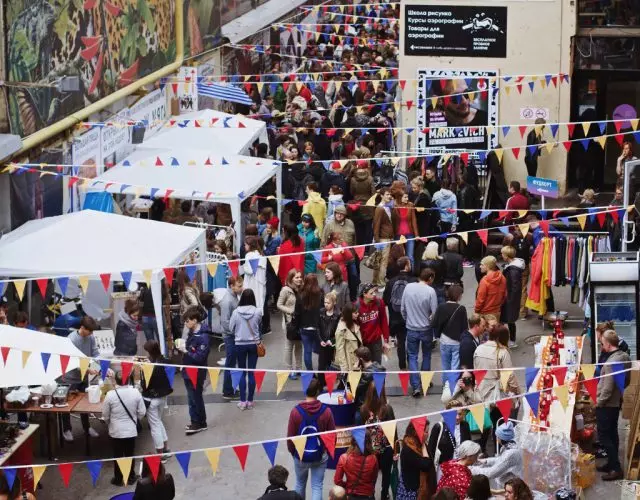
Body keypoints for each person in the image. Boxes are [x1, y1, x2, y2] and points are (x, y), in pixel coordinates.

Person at [287, 378, 336, 500]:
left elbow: (290, 437)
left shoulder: (295, 412)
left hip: (300, 455)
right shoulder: (326, 411)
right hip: (320, 455)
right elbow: (332, 436)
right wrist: (327, 451)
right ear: (318, 392)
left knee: (299, 483)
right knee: (317, 486)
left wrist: (294, 452)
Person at [474, 326, 520, 451]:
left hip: (482, 391)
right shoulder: (502, 352)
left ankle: (481, 449)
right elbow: (509, 376)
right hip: (498, 393)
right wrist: (517, 392)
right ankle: (499, 450)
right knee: (500, 423)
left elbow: (476, 371)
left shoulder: (478, 349)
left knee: (486, 422)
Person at [596, 329, 632, 481]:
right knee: (612, 433)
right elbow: (627, 380)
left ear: (609, 345)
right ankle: (611, 463)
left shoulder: (611, 363)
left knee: (604, 436)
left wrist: (598, 403)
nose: (601, 345)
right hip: (616, 402)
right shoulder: (625, 356)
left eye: (602, 343)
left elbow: (607, 390)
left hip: (607, 405)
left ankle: (616, 468)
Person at [59, 316, 101, 442]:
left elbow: (95, 353)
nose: (91, 334)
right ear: (82, 328)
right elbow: (72, 361)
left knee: (85, 404)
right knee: (66, 406)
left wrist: (97, 366)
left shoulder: (91, 337)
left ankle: (87, 427)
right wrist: (88, 369)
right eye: (90, 331)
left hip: (83, 376)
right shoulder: (71, 339)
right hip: (70, 377)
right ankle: (67, 430)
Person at [103, 370, 146, 486]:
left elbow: (105, 415)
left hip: (115, 430)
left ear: (115, 381)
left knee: (117, 455)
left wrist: (109, 424)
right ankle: (130, 477)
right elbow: (142, 411)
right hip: (130, 429)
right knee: (129, 454)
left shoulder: (110, 395)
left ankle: (118, 479)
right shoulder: (136, 393)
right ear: (129, 379)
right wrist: (135, 420)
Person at [401, 269, 438, 397]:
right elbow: (434, 312)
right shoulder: (430, 291)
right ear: (430, 278)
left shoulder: (408, 287)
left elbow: (403, 308)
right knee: (427, 355)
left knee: (412, 356)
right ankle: (425, 381)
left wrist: (408, 320)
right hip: (426, 329)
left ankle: (415, 386)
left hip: (411, 328)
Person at [229, 289, 263, 410]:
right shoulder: (258, 312)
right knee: (252, 372)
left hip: (240, 344)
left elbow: (230, 328)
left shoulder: (236, 312)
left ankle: (242, 401)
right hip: (254, 344)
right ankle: (250, 400)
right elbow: (259, 326)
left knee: (242, 372)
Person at [181, 306, 211, 435]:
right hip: (188, 370)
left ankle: (200, 422)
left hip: (196, 372)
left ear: (194, 320)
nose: (186, 324)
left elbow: (200, 357)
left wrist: (186, 351)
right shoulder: (192, 333)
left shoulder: (203, 337)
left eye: (187, 321)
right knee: (191, 398)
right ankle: (194, 421)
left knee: (196, 397)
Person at [383, 256, 416, 370]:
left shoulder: (391, 282)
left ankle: (402, 366)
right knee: (411, 343)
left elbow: (386, 300)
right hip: (410, 317)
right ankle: (412, 365)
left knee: (401, 342)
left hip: (396, 318)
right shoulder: (413, 281)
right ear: (407, 266)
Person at [141, 340, 172, 458]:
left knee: (154, 426)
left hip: (152, 399)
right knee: (159, 422)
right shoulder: (163, 361)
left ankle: (160, 453)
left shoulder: (149, 367)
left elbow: (144, 386)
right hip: (163, 396)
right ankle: (166, 448)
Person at [470, 421, 523, 489]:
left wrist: (472, 469)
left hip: (511, 486)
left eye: (497, 437)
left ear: (502, 438)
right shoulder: (510, 446)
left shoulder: (511, 453)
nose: (496, 439)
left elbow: (491, 473)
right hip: (508, 482)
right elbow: (501, 459)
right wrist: (486, 461)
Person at [432, 285, 467, 379]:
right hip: (457, 342)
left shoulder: (441, 307)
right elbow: (464, 328)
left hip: (444, 340)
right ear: (458, 296)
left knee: (445, 366)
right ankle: (453, 387)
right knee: (455, 366)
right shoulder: (461, 308)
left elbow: (434, 323)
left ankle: (445, 387)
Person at [397, 419, 437, 500]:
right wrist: (423, 446)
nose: (428, 434)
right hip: (411, 490)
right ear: (417, 432)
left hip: (414, 487)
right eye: (426, 432)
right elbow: (426, 464)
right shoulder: (409, 449)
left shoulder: (417, 443)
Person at [220, 276, 244, 400]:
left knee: (232, 363)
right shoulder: (228, 300)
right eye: (239, 286)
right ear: (231, 286)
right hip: (230, 336)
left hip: (233, 335)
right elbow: (225, 322)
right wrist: (236, 332)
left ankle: (229, 389)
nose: (241, 288)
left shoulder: (234, 297)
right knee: (230, 363)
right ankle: (227, 391)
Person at [428, 401, 472, 466]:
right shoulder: (439, 427)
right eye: (454, 414)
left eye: (459, 414)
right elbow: (431, 449)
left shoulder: (465, 425)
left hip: (460, 465)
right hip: (443, 467)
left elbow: (468, 445)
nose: (457, 417)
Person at [278, 269, 303, 379]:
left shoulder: (301, 289)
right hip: (289, 322)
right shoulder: (285, 290)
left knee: (299, 345)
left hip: (300, 321)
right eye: (296, 277)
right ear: (291, 278)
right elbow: (279, 304)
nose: (299, 279)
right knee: (289, 345)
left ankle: (298, 368)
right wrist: (290, 311)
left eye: (300, 277)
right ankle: (289, 370)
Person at [355, 283, 390, 364]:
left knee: (377, 367)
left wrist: (386, 340)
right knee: (364, 368)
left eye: (374, 292)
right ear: (364, 294)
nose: (374, 294)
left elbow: (384, 322)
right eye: (371, 293)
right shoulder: (356, 306)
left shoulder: (379, 303)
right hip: (363, 343)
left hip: (376, 341)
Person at [293, 274, 322, 371]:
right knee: (322, 350)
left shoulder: (300, 295)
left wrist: (296, 327)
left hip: (304, 328)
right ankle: (322, 371)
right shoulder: (321, 294)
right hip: (318, 328)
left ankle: (310, 372)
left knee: (307, 351)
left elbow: (297, 314)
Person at [243, 236, 268, 334]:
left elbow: (249, 270)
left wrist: (243, 267)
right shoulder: (262, 255)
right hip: (260, 284)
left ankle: (249, 332)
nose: (244, 246)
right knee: (259, 304)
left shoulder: (249, 255)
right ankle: (258, 333)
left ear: (250, 245)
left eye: (245, 244)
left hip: (251, 283)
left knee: (249, 305)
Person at [500, 246, 524, 349]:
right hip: (509, 298)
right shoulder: (511, 267)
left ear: (507, 256)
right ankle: (509, 339)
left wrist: (509, 300)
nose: (501, 256)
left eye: (502, 254)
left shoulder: (513, 271)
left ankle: (510, 340)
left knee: (508, 320)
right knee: (509, 320)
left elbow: (515, 287)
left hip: (509, 299)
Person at [392, 188, 419, 267]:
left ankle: (411, 275)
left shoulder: (410, 205)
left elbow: (414, 220)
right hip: (398, 234)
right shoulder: (394, 206)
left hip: (409, 234)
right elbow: (392, 221)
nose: (407, 199)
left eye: (407, 197)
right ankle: (398, 274)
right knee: (398, 255)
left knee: (410, 256)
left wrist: (417, 234)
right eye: (405, 197)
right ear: (400, 197)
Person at [373, 188, 395, 287]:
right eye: (387, 194)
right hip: (382, 238)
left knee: (379, 261)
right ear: (381, 195)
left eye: (390, 194)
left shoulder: (387, 207)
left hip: (386, 237)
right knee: (383, 262)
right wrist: (377, 240)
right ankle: (380, 282)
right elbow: (376, 225)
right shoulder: (380, 208)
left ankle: (376, 281)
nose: (389, 196)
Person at [317, 292, 340, 387]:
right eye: (325, 302)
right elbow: (317, 327)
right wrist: (320, 340)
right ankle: (321, 386)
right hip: (323, 344)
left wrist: (333, 341)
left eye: (328, 303)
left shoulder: (338, 314)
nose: (326, 304)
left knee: (332, 367)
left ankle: (331, 386)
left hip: (333, 346)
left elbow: (340, 332)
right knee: (321, 366)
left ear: (334, 303)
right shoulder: (321, 312)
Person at [335, 303, 363, 372]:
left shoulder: (355, 324)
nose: (358, 314)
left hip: (357, 361)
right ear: (349, 314)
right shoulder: (341, 329)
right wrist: (344, 367)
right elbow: (339, 349)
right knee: (350, 382)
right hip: (348, 364)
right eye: (355, 313)